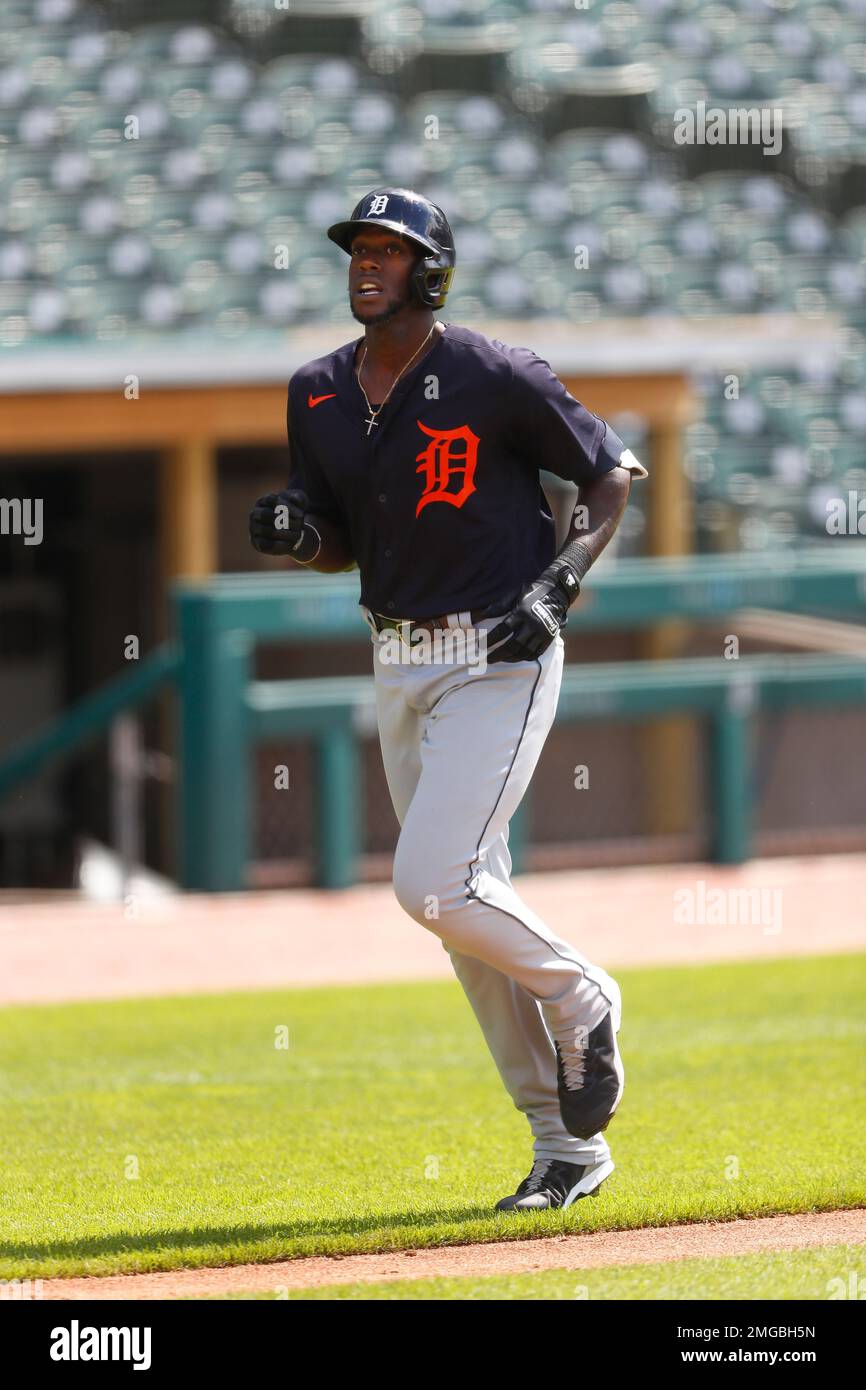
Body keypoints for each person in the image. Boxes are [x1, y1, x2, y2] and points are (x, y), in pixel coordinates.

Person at [250, 188, 649, 1213]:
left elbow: (609, 475)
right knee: (460, 917)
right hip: (397, 658)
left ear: (431, 270)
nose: (366, 262)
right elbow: (335, 532)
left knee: (432, 884)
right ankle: (564, 1144)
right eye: (357, 247)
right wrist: (301, 534)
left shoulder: (492, 371)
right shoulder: (316, 391)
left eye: (390, 248)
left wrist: (559, 583)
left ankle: (580, 993)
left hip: (498, 652)